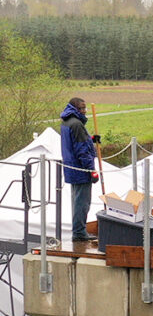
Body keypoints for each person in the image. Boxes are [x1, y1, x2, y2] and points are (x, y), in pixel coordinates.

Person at [60, 97, 99, 242]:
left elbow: (78, 142)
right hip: (81, 169)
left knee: (77, 201)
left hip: (72, 168)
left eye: (85, 108)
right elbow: (82, 151)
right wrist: (91, 170)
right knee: (82, 203)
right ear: (75, 109)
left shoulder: (67, 122)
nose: (84, 111)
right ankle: (79, 233)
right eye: (81, 108)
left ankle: (78, 231)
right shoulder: (76, 124)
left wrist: (91, 139)